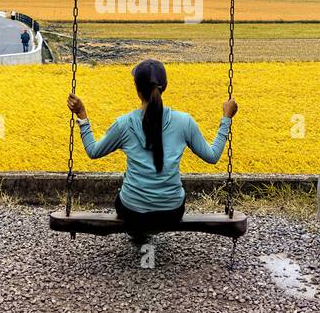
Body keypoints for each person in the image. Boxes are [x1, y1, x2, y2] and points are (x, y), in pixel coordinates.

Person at [67, 59, 237, 236]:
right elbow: (212, 156)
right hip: (171, 212)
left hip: (132, 213)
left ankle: (138, 233)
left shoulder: (124, 124)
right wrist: (226, 118)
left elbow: (93, 151)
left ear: (137, 90)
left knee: (125, 197)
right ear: (165, 86)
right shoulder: (184, 122)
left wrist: (81, 115)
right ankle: (142, 232)